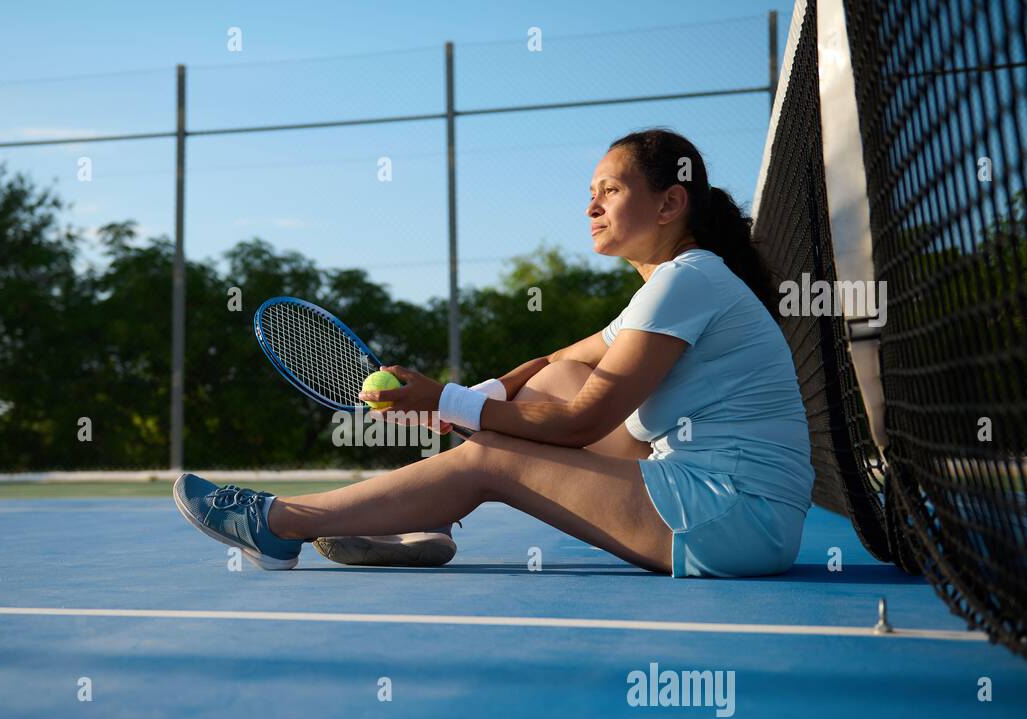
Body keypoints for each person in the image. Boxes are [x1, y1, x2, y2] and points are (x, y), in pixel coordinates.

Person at [174, 128, 814, 578]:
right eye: (591, 191)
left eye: (610, 191)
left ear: (671, 202)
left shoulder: (686, 279)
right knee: (559, 377)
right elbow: (554, 364)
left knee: (493, 459)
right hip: (734, 508)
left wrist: (448, 403)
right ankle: (427, 519)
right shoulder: (680, 282)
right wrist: (473, 398)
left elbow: (584, 423)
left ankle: (279, 523)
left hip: (732, 520)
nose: (590, 206)